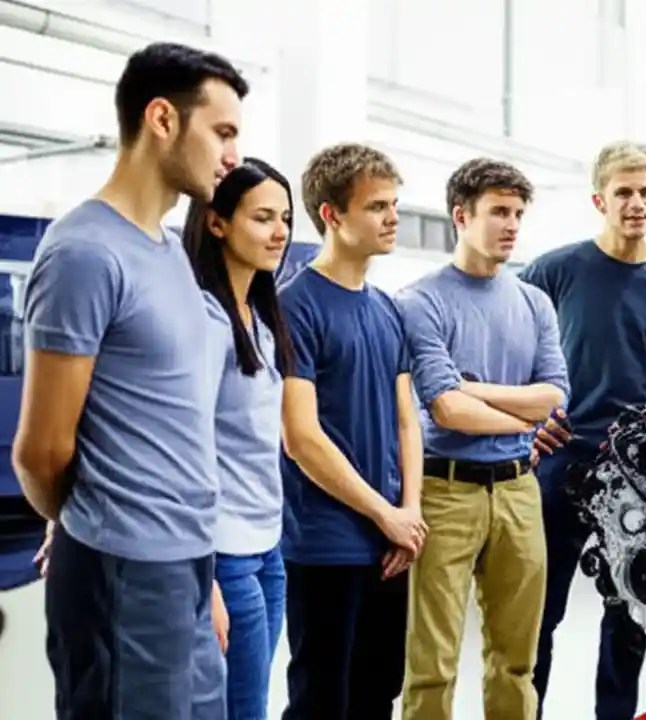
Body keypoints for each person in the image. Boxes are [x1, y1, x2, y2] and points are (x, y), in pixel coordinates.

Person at [11, 41, 246, 719]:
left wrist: (203, 578)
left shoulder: (169, 250)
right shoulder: (86, 251)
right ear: (163, 120)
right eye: (222, 132)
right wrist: (89, 523)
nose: (232, 155)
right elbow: (40, 449)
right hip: (126, 571)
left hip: (187, 564)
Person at [520, 140, 646, 720]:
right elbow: (514, 348)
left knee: (629, 613)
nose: (636, 203)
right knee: (538, 614)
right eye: (624, 192)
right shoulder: (554, 271)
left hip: (639, 477)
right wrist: (527, 421)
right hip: (561, 461)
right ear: (600, 198)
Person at [395, 157, 569, 720]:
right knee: (432, 664)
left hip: (520, 491)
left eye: (518, 212)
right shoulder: (420, 301)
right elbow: (446, 407)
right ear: (461, 216)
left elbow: (555, 395)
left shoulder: (534, 302)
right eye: (498, 211)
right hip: (446, 492)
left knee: (517, 659)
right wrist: (523, 417)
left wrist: (482, 393)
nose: (512, 223)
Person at [277, 142, 426, 719]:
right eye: (376, 207)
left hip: (389, 543)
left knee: (377, 692)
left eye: (393, 204)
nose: (392, 218)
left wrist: (407, 514)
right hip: (326, 543)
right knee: (321, 700)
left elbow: (406, 420)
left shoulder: (387, 308)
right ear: (331, 216)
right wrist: (383, 514)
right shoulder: (295, 306)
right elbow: (302, 438)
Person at [181, 156, 296, 720]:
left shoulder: (260, 319)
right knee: (239, 710)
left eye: (285, 218)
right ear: (217, 222)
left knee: (253, 703)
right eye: (262, 218)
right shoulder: (206, 318)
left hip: (266, 543)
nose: (279, 232)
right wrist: (205, 578)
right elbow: (186, 446)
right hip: (223, 550)